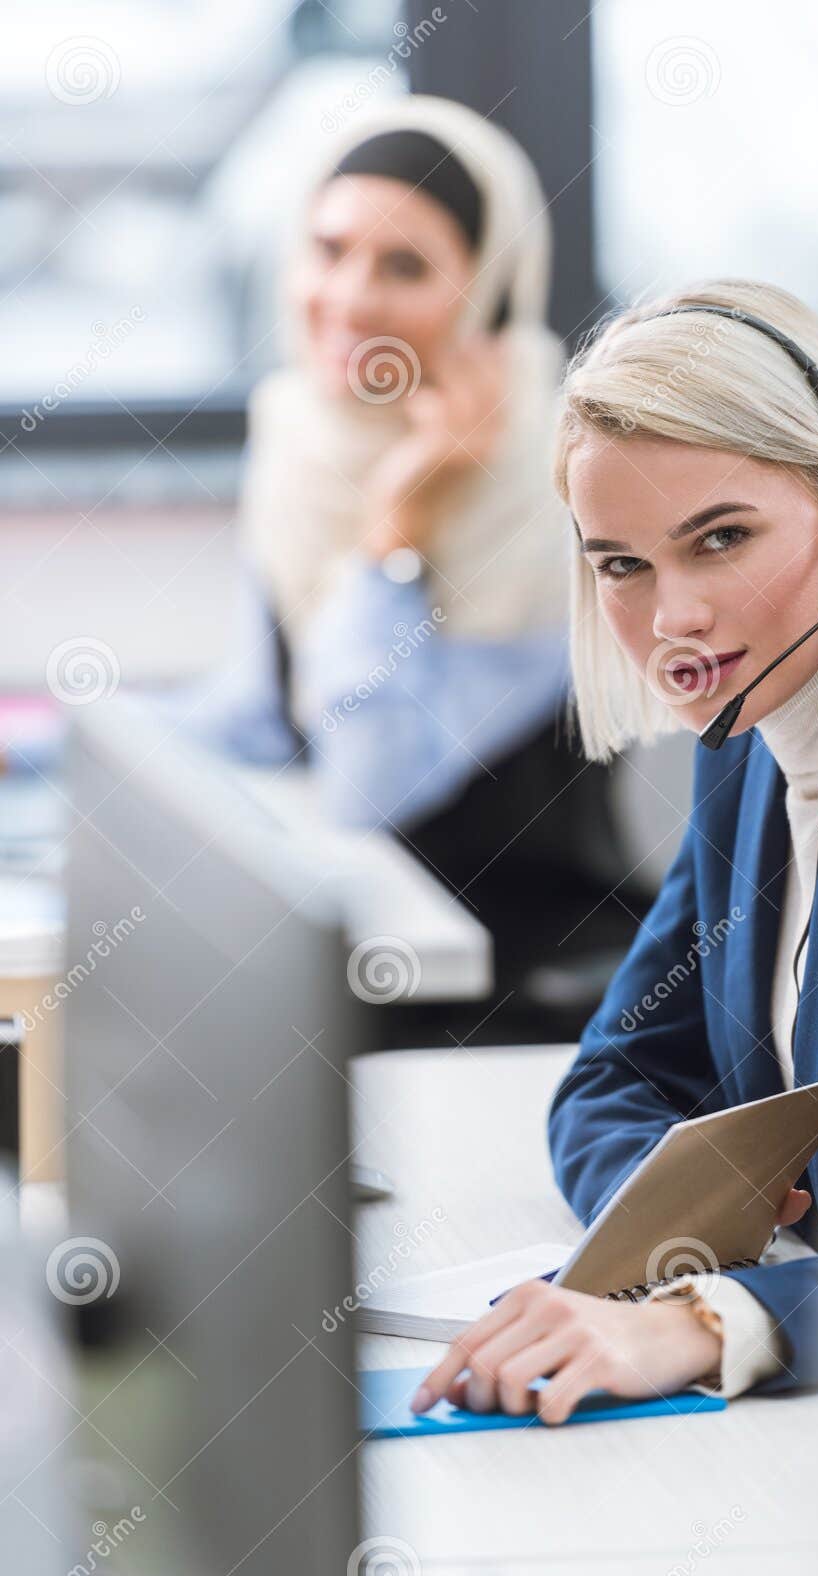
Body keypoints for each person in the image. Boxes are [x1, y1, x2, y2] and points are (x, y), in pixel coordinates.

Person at [411, 278, 818, 1423]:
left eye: (721, 539)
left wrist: (699, 1319)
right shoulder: (750, 748)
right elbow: (616, 1078)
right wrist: (696, 1239)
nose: (673, 621)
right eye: (621, 564)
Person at [181, 97, 647, 1035]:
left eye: (404, 266)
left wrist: (401, 522)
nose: (349, 298)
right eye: (329, 248)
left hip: (511, 1006)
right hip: (353, 951)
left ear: (492, 292)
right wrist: (52, 742)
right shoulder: (301, 441)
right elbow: (262, 717)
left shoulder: (564, 491)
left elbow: (366, 780)